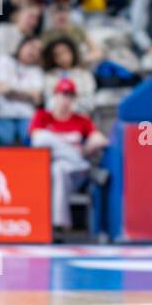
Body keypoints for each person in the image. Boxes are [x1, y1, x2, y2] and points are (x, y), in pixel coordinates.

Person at [28, 77, 108, 231]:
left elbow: (100, 140)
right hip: (50, 171)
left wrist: (86, 148)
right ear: (55, 96)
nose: (66, 99)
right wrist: (72, 150)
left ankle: (58, 223)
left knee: (60, 165)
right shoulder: (43, 116)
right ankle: (60, 223)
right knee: (56, 164)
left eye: (70, 95)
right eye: (63, 94)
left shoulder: (81, 120)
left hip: (76, 174)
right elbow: (36, 139)